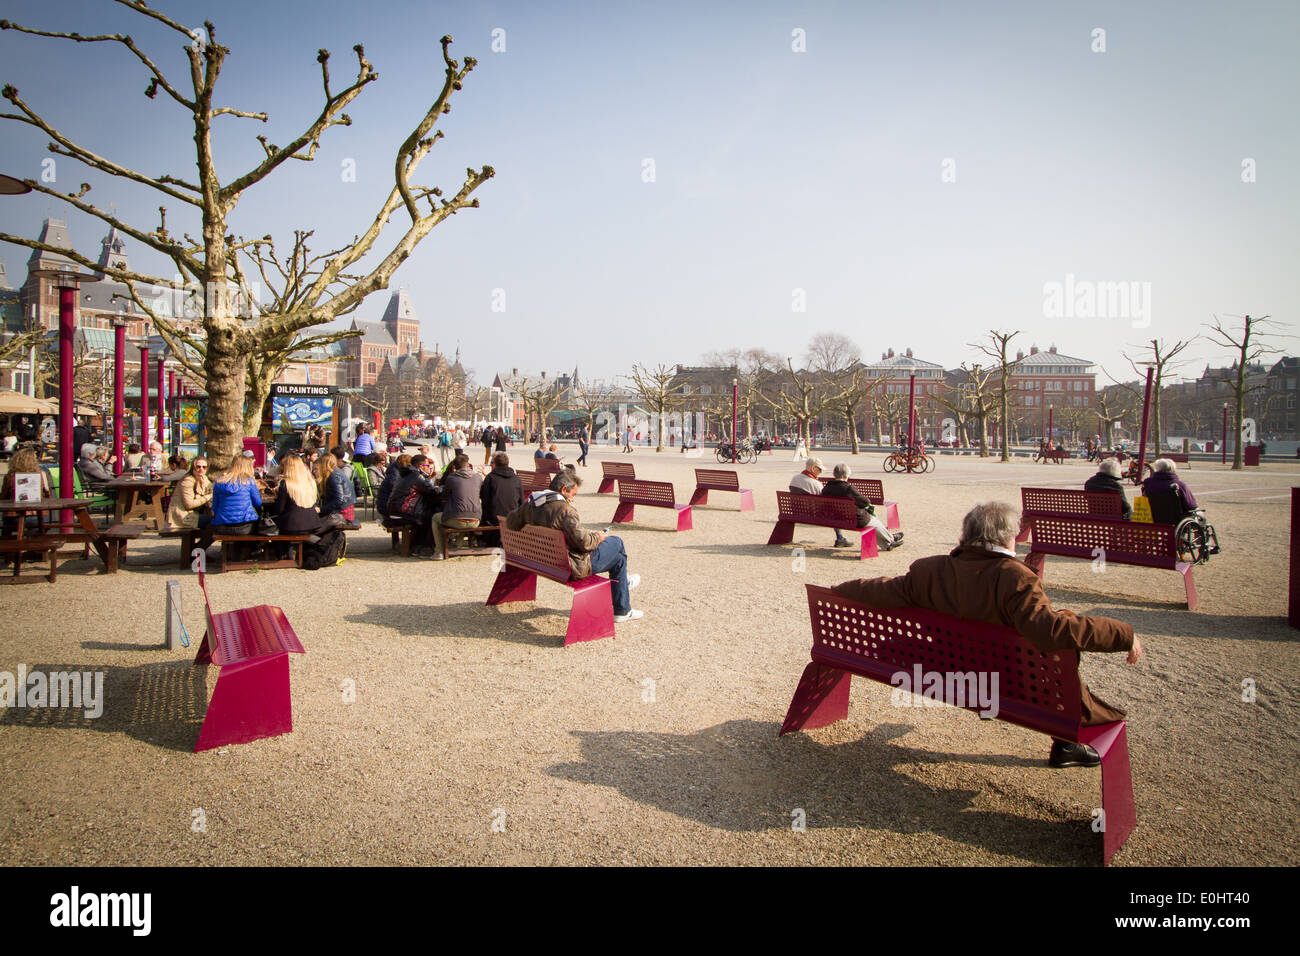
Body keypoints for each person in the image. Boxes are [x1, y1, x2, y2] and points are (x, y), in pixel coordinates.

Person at [833, 501, 1143, 767]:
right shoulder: (1014, 577)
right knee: (1064, 628)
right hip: (1014, 686)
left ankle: (1065, 745)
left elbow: (883, 590)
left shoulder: (931, 570)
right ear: (1008, 537)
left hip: (950, 671)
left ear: (966, 535)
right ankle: (1066, 744)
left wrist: (840, 590)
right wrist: (1124, 633)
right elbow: (1050, 632)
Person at [505, 469, 643, 622]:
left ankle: (624, 587)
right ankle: (622, 606)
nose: (573, 499)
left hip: (542, 560)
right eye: (573, 494)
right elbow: (585, 543)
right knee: (617, 544)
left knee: (618, 558)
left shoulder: (533, 504)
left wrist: (527, 509)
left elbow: (510, 522)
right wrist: (597, 536)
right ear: (564, 490)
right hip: (571, 566)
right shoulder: (565, 510)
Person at [821, 463, 904, 551]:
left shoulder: (826, 488)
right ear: (846, 475)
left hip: (835, 518)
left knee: (872, 521)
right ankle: (889, 542)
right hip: (853, 520)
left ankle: (890, 538)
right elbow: (865, 502)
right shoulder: (848, 488)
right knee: (873, 521)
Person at [209, 453, 263, 559]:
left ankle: (234, 554)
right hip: (245, 527)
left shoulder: (219, 481)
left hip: (222, 526)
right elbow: (258, 503)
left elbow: (214, 506)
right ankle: (253, 549)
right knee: (258, 523)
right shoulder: (249, 482)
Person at [431, 454, 484, 559]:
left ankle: (439, 551)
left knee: (435, 518)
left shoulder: (451, 478)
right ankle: (458, 545)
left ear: (455, 467)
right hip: (476, 519)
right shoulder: (478, 477)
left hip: (457, 519)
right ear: (468, 464)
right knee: (462, 513)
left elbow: (444, 496)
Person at [389, 453, 442, 552]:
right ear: (421, 466)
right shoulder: (416, 476)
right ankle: (422, 547)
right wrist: (444, 487)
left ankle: (418, 544)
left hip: (395, 508)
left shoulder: (406, 473)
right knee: (432, 515)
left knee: (430, 512)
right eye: (427, 466)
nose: (429, 468)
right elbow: (433, 491)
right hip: (403, 511)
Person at [264, 453, 321, 536]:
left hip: (291, 525)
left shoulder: (286, 483)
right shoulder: (310, 482)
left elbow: (279, 509)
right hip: (311, 523)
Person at [166, 456, 213, 531]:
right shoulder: (188, 480)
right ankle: (202, 543)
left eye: (204, 467)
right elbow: (189, 505)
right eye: (198, 467)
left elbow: (212, 490)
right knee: (216, 522)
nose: (201, 469)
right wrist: (208, 497)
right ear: (193, 467)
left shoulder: (204, 478)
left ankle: (203, 543)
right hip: (183, 517)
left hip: (192, 514)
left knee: (218, 521)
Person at [480, 451, 523, 530]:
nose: (490, 465)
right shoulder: (516, 479)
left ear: (495, 464)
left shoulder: (490, 478)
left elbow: (484, 500)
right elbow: (521, 502)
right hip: (512, 520)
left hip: (494, 521)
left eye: (491, 463)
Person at [318, 449, 357, 524]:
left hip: (342, 514)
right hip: (344, 510)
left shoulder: (334, 476)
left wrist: (321, 510)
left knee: (315, 527)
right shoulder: (335, 472)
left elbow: (339, 500)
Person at [376, 452, 410, 520]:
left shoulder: (394, 471)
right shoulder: (395, 475)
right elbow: (398, 491)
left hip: (385, 505)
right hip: (387, 508)